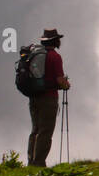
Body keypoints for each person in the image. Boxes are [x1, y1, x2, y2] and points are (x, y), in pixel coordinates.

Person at [27, 27, 71, 167]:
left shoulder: (35, 55)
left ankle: (31, 161)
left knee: (35, 130)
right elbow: (59, 80)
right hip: (49, 98)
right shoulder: (55, 57)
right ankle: (39, 163)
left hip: (34, 97)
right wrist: (66, 84)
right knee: (45, 132)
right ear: (55, 41)